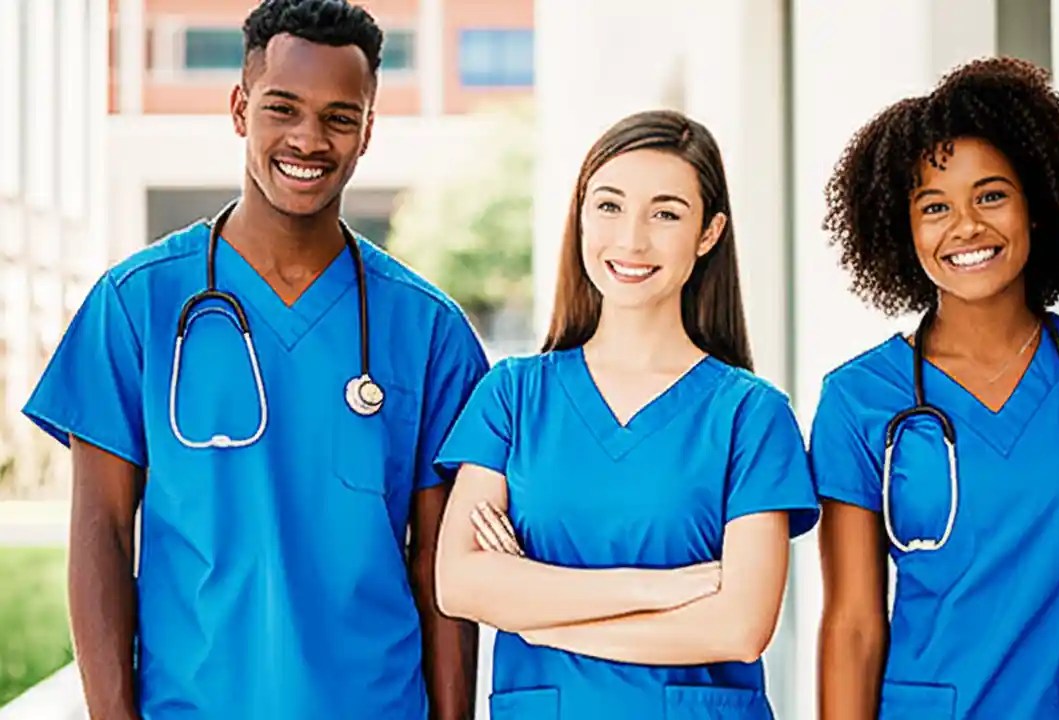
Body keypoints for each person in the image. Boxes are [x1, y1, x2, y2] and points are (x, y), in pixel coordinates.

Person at [22, 1, 485, 718]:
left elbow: (440, 569)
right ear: (240, 109)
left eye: (340, 115)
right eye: (282, 108)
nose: (309, 138)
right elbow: (101, 538)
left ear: (368, 131)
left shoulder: (428, 330)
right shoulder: (137, 304)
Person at [811, 57, 1059, 719]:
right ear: (904, 230)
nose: (966, 227)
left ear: (1036, 205)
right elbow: (853, 624)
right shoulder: (858, 399)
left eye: (991, 195)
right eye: (934, 206)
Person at [432, 109, 820, 719]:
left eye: (665, 213)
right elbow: (459, 584)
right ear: (581, 213)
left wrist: (539, 616)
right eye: (609, 206)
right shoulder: (512, 397)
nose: (632, 239)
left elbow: (739, 627)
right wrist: (656, 588)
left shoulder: (751, 415)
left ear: (709, 233)